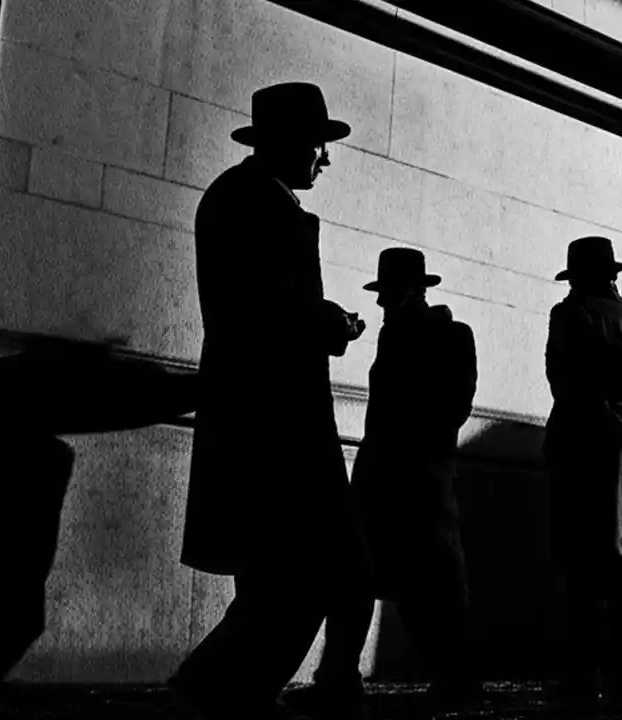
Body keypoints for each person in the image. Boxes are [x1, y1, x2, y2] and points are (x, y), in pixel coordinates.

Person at [169, 82, 370, 719]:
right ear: (290, 142)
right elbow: (272, 313)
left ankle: (227, 692)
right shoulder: (262, 205)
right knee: (311, 567)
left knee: (272, 570)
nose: (325, 159)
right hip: (277, 419)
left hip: (254, 412)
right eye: (318, 144)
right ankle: (220, 690)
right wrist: (331, 324)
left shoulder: (236, 196)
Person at [282, 247, 481, 717]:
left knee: (425, 586)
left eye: (389, 294)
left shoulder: (443, 335)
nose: (382, 305)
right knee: (362, 578)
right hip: (388, 477)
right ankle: (342, 678)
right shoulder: (401, 335)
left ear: (413, 292)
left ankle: (454, 678)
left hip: (416, 479)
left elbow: (452, 406)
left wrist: (412, 448)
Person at [541, 236, 622, 714]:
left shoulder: (570, 315)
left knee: (584, 566)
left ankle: (580, 679)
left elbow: (563, 381)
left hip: (591, 440)